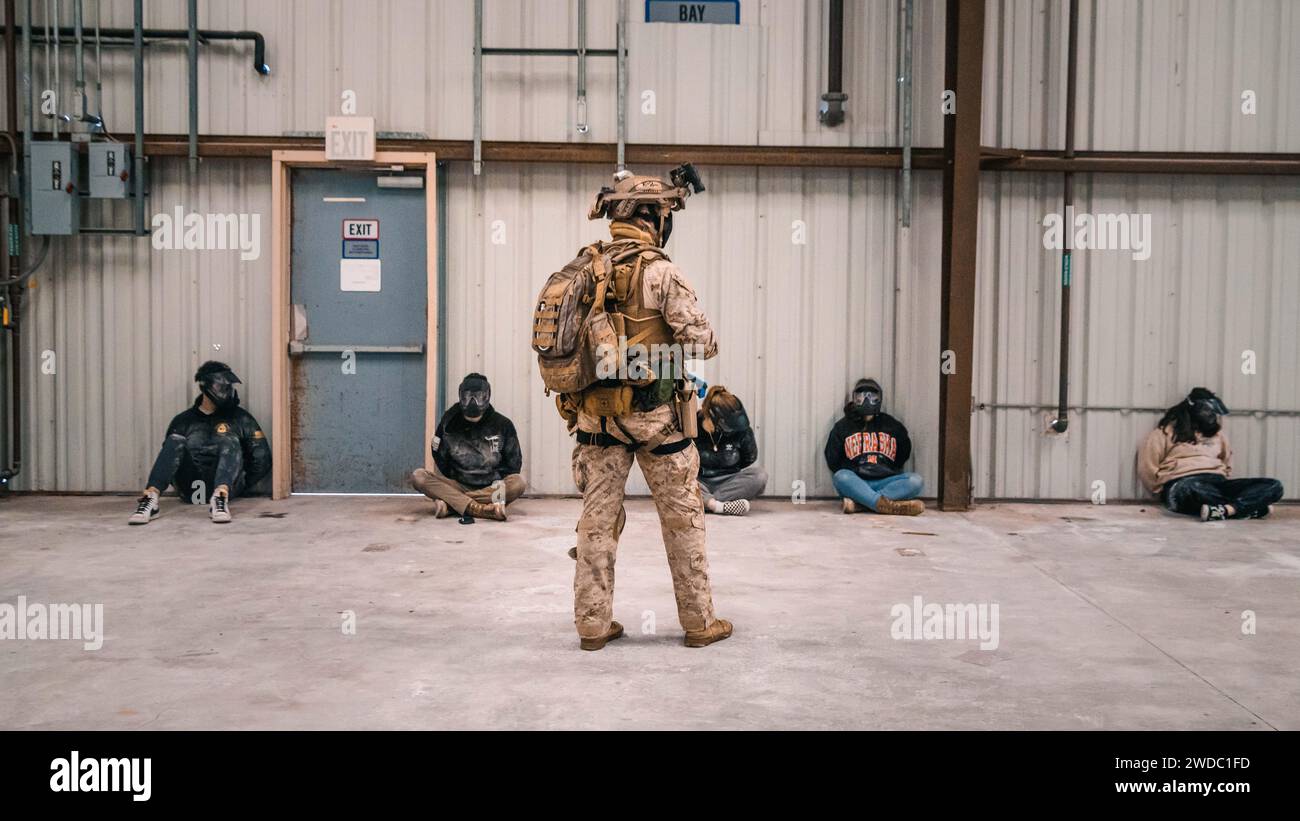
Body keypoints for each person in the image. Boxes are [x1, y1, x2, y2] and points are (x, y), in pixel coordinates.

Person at [559, 165, 732, 651]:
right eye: (664, 212)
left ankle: (592, 627)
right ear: (651, 217)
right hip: (659, 423)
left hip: (597, 420)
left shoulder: (583, 270)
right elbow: (702, 343)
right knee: (683, 522)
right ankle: (699, 625)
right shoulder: (661, 272)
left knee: (597, 524)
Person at [128, 361, 271, 525]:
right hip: (191, 488)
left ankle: (220, 498)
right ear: (206, 387)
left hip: (227, 487)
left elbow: (262, 459)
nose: (228, 391)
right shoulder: (183, 421)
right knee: (175, 441)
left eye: (229, 386)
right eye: (222, 387)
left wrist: (239, 484)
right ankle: (150, 499)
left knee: (228, 440)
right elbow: (170, 461)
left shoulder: (241, 418)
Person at [1137, 387, 1283, 521]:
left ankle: (1228, 510)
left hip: (1216, 483)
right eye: (1208, 412)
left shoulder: (1218, 435)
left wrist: (1221, 477)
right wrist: (1161, 491)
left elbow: (1227, 461)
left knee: (1273, 486)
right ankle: (1250, 507)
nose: (1212, 416)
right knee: (1192, 488)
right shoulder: (1164, 433)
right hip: (1182, 484)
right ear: (1194, 410)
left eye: (1214, 413)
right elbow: (1148, 466)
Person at [410, 373, 525, 522]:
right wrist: (453, 478)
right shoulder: (449, 422)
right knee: (418, 476)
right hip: (458, 485)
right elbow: (438, 454)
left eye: (478, 396)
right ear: (461, 395)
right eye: (468, 396)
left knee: (519, 483)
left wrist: (496, 482)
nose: (473, 401)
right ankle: (482, 509)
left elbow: (514, 464)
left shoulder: (502, 424)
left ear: (487, 396)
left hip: (491, 487)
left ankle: (453, 505)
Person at [824, 377, 925, 515]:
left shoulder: (892, 426)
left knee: (915, 481)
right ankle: (883, 504)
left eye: (872, 396)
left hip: (886, 481)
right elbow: (833, 459)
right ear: (854, 399)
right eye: (860, 397)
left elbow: (903, 454)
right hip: (856, 482)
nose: (866, 401)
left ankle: (862, 504)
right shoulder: (843, 426)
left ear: (879, 398)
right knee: (841, 477)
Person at [695, 385, 766, 515]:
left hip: (729, 482)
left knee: (760, 476)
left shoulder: (741, 430)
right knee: (676, 478)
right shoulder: (693, 426)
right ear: (710, 416)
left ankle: (706, 503)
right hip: (700, 481)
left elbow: (749, 458)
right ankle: (719, 506)